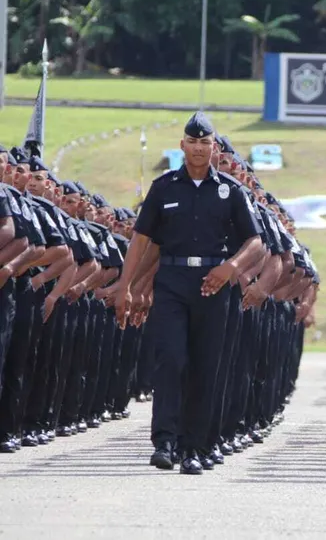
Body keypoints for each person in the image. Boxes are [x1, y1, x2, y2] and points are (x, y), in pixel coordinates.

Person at [114, 111, 263, 475]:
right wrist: (125, 286)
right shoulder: (164, 188)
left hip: (214, 285)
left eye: (205, 143)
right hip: (173, 281)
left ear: (215, 149)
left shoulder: (231, 191)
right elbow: (141, 241)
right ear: (182, 145)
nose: (198, 148)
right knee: (170, 358)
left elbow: (256, 243)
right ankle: (165, 441)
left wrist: (231, 268)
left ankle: (195, 447)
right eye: (192, 142)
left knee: (205, 366)